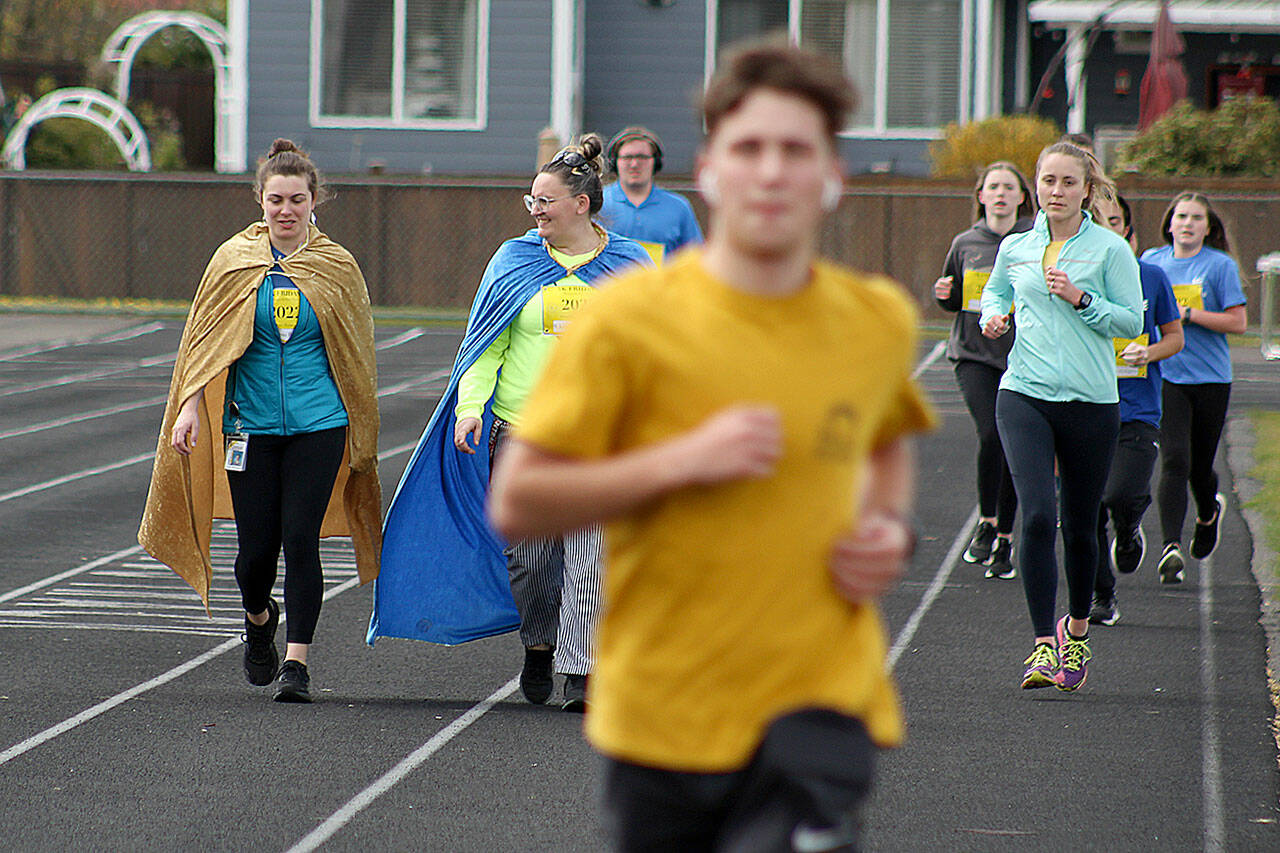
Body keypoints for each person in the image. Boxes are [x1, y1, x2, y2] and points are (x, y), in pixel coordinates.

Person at [488, 41, 936, 850]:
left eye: (795, 150)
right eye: (749, 147)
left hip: (817, 700)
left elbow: (885, 446)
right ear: (711, 168)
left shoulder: (875, 320)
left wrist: (888, 528)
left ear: (831, 173)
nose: (771, 172)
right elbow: (520, 498)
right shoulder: (627, 317)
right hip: (667, 708)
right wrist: (681, 460)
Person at [370, 135, 651, 712]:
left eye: (545, 201)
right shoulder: (514, 261)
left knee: (591, 554)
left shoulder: (630, 265)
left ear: (581, 204)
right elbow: (485, 346)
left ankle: (582, 669)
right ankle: (539, 643)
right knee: (532, 557)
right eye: (531, 201)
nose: (536, 211)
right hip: (523, 431)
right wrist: (470, 408)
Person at [139, 138, 382, 703]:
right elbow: (202, 343)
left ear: (314, 200)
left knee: (300, 539)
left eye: (297, 200)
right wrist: (189, 406)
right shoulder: (233, 261)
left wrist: (358, 422)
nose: (286, 211)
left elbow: (356, 352)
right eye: (276, 200)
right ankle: (258, 616)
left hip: (319, 423)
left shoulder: (336, 266)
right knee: (253, 555)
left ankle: (297, 663)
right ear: (260, 200)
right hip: (249, 426)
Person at [980, 142, 1143, 692]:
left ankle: (1075, 629)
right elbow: (996, 293)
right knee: (1035, 516)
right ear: (1036, 186)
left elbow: (1131, 322)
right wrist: (993, 317)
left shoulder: (1110, 250)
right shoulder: (1016, 246)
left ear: (1087, 190)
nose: (1056, 191)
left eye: (1068, 182)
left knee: (1079, 524)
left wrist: (1081, 299)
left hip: (1091, 402)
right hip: (1024, 393)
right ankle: (1040, 646)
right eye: (1048, 181)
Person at [934, 162, 1034, 579]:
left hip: (1021, 355)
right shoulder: (965, 242)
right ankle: (988, 521)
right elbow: (952, 295)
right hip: (973, 353)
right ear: (981, 196)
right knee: (992, 433)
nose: (1000, 194)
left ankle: (1006, 537)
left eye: (1009, 187)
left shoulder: (1034, 241)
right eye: (993, 187)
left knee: (1013, 444)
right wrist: (945, 294)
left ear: (1022, 197)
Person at [1088, 193, 1183, 626]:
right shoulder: (1074, 278)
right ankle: (1101, 596)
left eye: (1113, 222)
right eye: (1097, 221)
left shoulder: (1151, 277)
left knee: (1120, 495)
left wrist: (1149, 353)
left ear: (1127, 230)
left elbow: (1175, 338)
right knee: (1086, 508)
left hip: (1137, 410)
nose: (1106, 229)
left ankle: (1128, 530)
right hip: (1084, 406)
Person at [1142, 192, 1247, 583]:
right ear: (1169, 224)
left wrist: (1188, 314)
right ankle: (1170, 547)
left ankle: (1208, 512)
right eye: (1181, 216)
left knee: (1200, 467)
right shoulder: (1152, 262)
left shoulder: (1219, 266)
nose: (1187, 224)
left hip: (1210, 379)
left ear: (1208, 227)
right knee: (1174, 459)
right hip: (1167, 374)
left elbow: (1238, 323)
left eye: (1196, 218)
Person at [599, 125, 703, 265]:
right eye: (627, 157)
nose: (634, 164)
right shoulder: (598, 203)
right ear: (615, 162)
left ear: (656, 162)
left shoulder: (679, 207)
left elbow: (696, 259)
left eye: (642, 157)